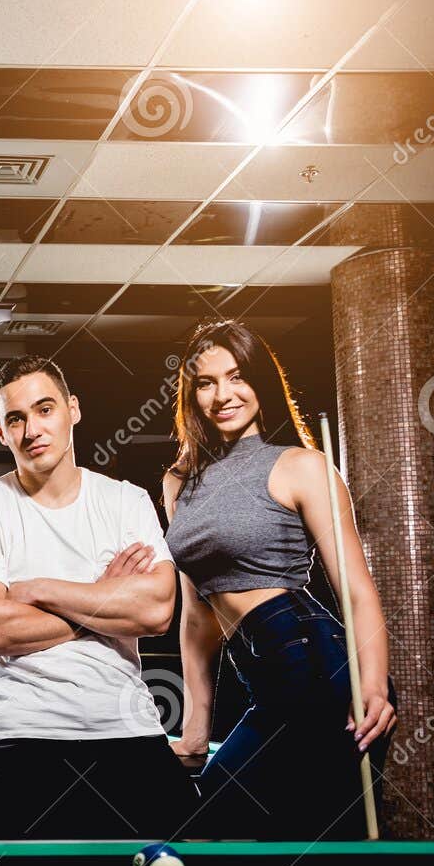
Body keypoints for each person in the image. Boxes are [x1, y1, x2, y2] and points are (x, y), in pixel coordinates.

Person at [163, 320, 396, 839]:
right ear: (191, 394)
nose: (222, 395)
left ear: (262, 382)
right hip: (263, 680)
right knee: (231, 825)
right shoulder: (179, 482)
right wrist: (196, 726)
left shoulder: (302, 466)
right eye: (206, 382)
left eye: (237, 377)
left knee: (252, 830)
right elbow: (197, 619)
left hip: (316, 665)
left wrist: (374, 684)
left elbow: (356, 590)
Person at [0, 354, 194, 838]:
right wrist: (104, 603)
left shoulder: (125, 501)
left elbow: (158, 609)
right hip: (20, 737)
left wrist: (39, 591)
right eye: (14, 418)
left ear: (73, 410)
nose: (31, 429)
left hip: (130, 731)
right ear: (1, 432)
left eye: (44, 409)